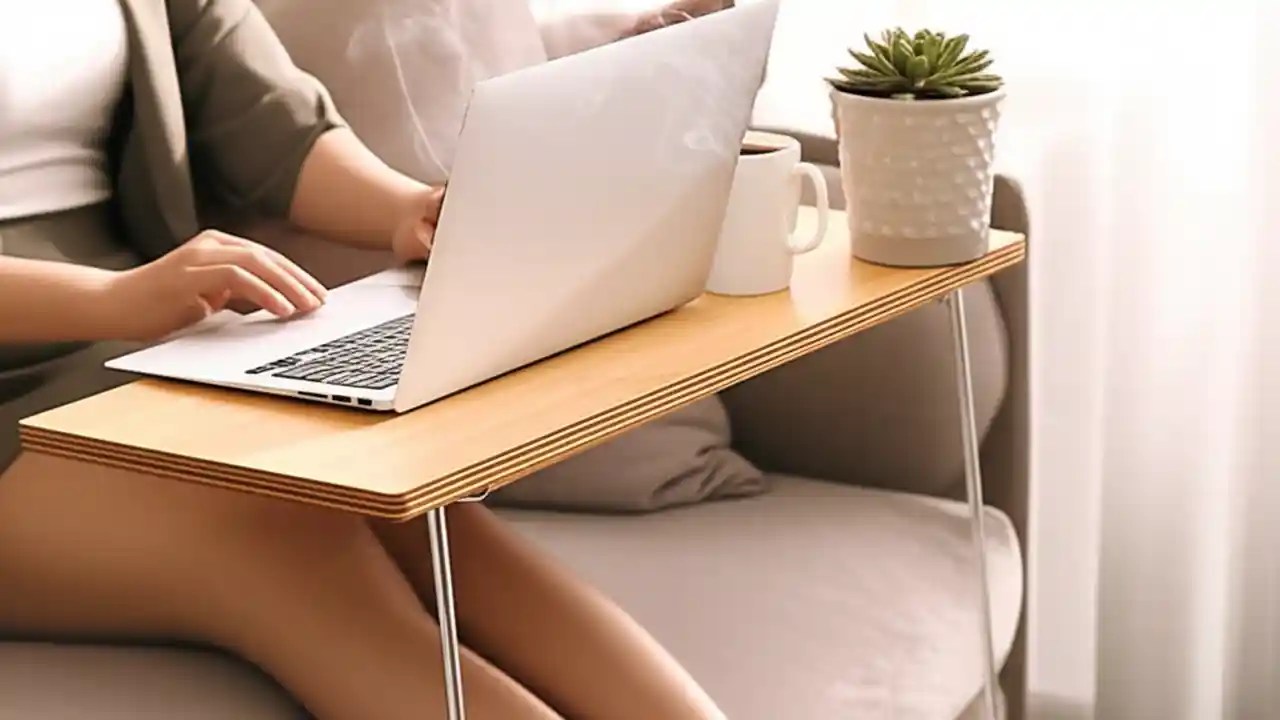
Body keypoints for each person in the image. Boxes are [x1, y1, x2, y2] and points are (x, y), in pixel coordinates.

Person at [0, 1, 726, 718]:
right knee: (280, 545)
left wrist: (406, 210)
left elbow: (272, 128)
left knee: (437, 529)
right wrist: (110, 299)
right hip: (38, 386)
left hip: (137, 352)